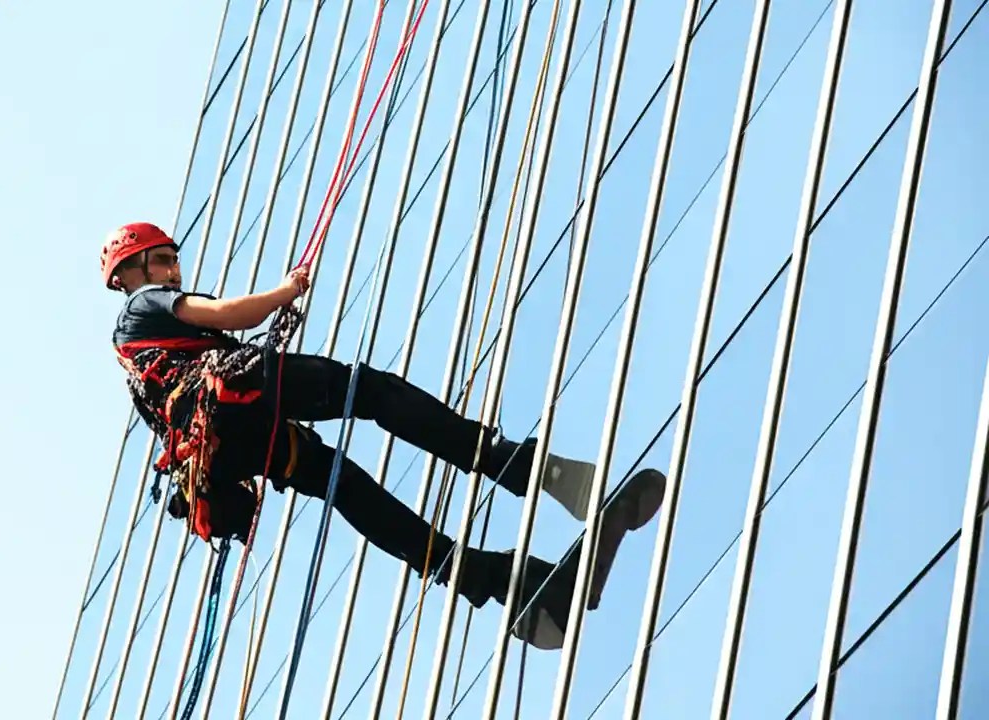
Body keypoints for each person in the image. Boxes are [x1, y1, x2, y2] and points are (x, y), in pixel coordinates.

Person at [102, 222, 666, 649]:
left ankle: (495, 580)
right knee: (368, 391)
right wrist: (283, 292)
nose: (173, 272)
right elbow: (228, 313)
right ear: (129, 272)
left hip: (234, 443)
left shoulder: (133, 359)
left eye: (174, 261)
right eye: (160, 262)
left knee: (345, 485)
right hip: (238, 399)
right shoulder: (143, 304)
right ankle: (532, 471)